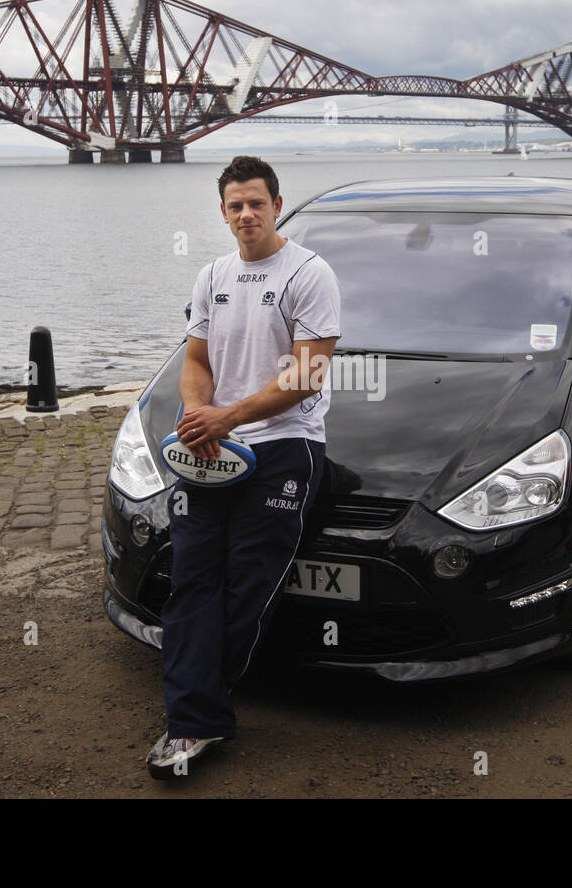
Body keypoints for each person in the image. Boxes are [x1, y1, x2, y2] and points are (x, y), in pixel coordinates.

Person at [147, 155, 341, 779]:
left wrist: (228, 419)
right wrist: (199, 416)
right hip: (215, 447)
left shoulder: (310, 273)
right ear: (223, 212)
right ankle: (192, 727)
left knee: (247, 582)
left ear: (277, 205)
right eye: (235, 205)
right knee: (192, 579)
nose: (246, 214)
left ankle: (195, 704)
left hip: (286, 444)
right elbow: (196, 360)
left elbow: (308, 375)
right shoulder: (212, 276)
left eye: (256, 202)